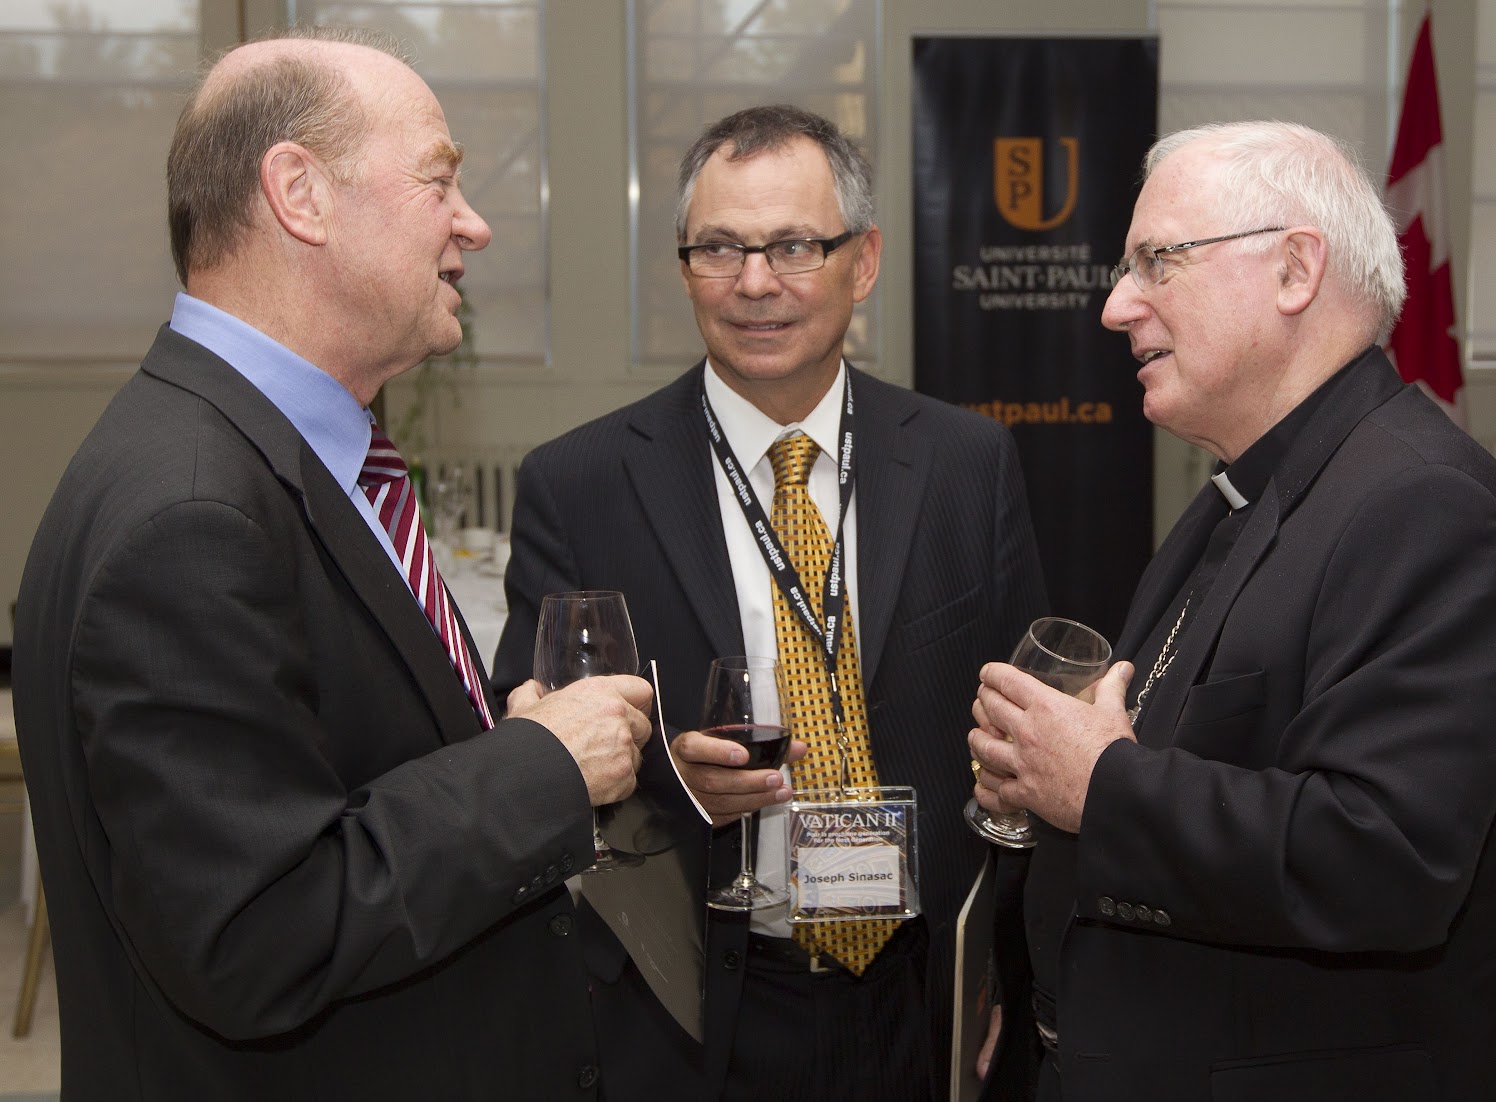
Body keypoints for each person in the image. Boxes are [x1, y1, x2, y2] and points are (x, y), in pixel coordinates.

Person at [11, 25, 653, 1101]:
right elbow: (257, 931)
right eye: (440, 180)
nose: (476, 225)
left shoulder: (264, 453)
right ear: (299, 195)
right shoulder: (193, 512)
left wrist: (500, 739)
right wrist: (537, 764)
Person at [969, 119, 1496, 1101]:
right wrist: (1061, 774)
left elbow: (1381, 857)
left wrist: (1098, 783)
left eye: (1156, 262)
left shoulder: (1424, 505)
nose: (1114, 304)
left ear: (1295, 269)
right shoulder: (1254, 482)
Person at [492, 104, 1048, 1101]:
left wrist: (1005, 965)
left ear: (863, 260)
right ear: (683, 265)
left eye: (793, 244)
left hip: (917, 998)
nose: (754, 282)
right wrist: (672, 783)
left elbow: (1021, 751)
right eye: (719, 247)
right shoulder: (579, 486)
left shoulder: (969, 465)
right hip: (693, 1007)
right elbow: (525, 761)